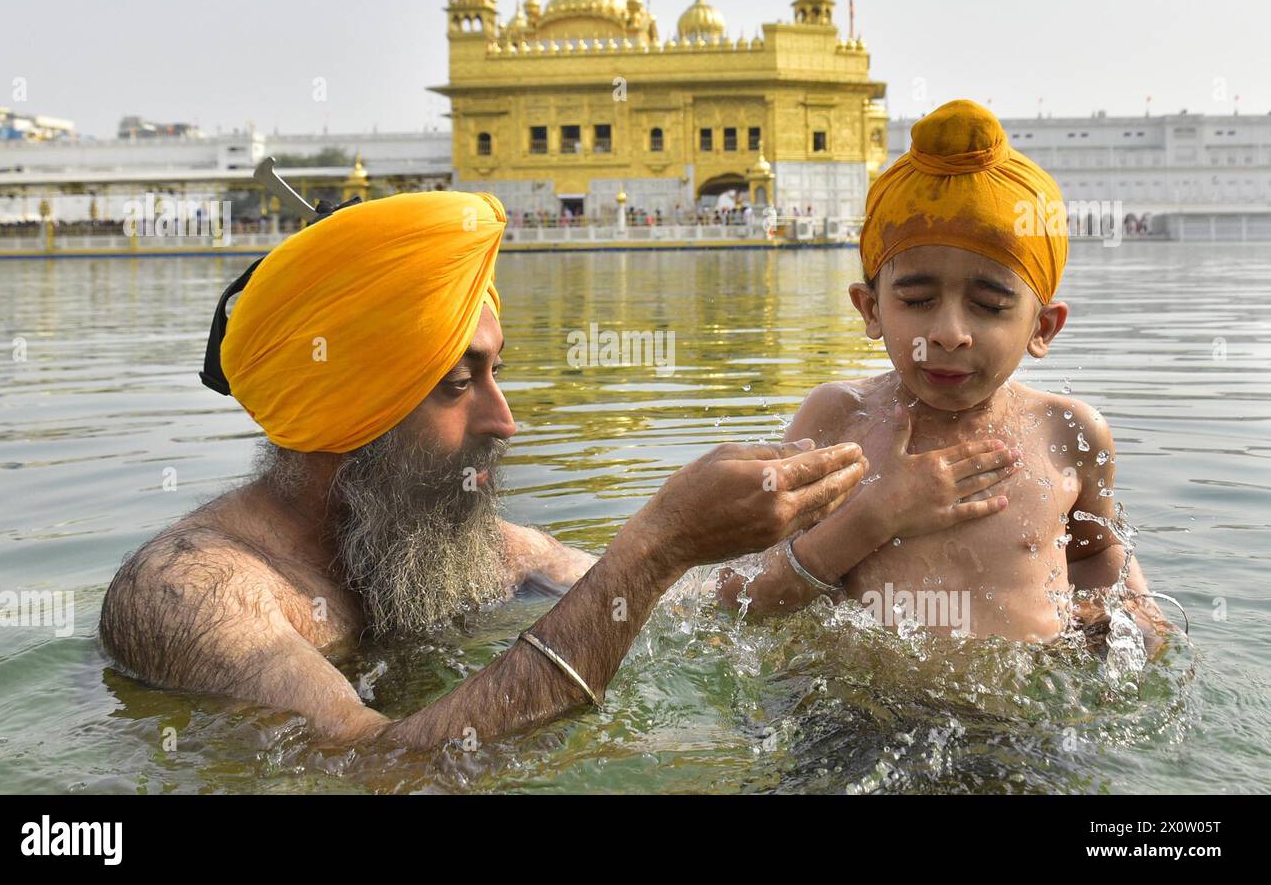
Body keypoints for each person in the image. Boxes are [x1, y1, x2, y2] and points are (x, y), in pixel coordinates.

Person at [98, 190, 868, 749]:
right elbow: (380, 771)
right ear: (348, 409)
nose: (505, 420)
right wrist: (655, 546)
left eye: (496, 375)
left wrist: (866, 521)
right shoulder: (195, 590)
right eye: (460, 385)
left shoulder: (481, 552)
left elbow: (704, 612)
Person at [714, 100, 1171, 647]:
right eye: (918, 299)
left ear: (1042, 326)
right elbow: (746, 599)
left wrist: (1133, 614)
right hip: (862, 717)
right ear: (871, 310)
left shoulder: (1068, 432)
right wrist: (873, 519)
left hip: (1028, 717)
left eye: (989, 305)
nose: (950, 332)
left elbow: (1097, 551)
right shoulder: (839, 420)